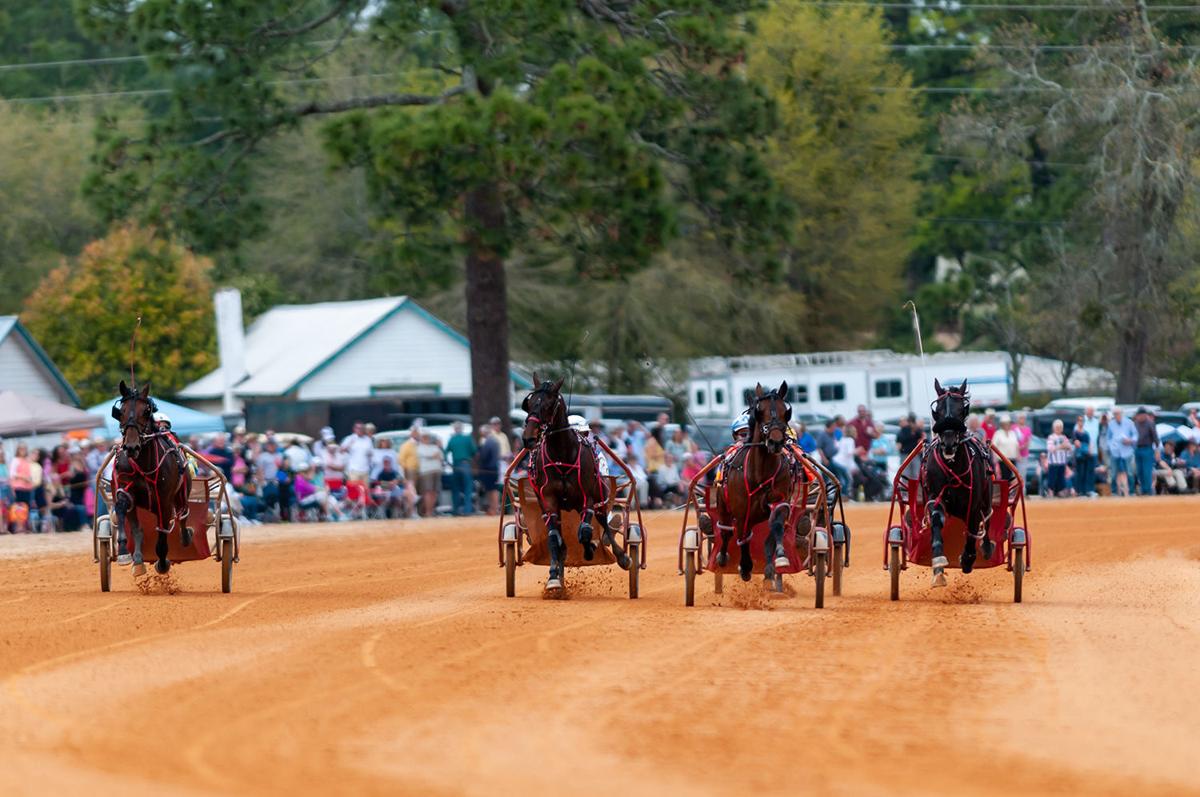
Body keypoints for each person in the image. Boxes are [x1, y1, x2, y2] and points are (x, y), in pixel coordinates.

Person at [444, 421, 478, 516]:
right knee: (468, 488)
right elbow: (474, 451)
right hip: (466, 464)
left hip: (455, 465)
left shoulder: (452, 439)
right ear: (462, 429)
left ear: (454, 429)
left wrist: (448, 463)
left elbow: (445, 452)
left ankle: (456, 510)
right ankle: (467, 510)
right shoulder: (467, 438)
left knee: (455, 489)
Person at [1106, 407, 1136, 497]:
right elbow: (1108, 438)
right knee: (1114, 473)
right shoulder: (1111, 424)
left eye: (1118, 414)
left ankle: (1131, 492)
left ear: (1122, 414)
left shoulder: (1129, 423)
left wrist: (1130, 440)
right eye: (1115, 414)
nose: (1116, 416)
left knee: (1129, 472)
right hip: (1115, 452)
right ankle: (1114, 492)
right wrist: (1111, 447)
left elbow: (1135, 435)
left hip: (1127, 451)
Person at [1132, 407, 1160, 497]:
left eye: (1140, 415)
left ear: (1144, 415)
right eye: (1137, 415)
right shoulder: (1135, 424)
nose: (1138, 417)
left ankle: (1148, 490)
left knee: (1147, 470)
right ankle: (1143, 489)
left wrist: (1157, 450)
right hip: (1137, 449)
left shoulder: (1150, 424)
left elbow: (1155, 438)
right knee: (1139, 471)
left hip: (1147, 448)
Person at [476, 424, 501, 515]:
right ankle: (494, 508)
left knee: (491, 490)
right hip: (494, 468)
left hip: (488, 469)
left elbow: (483, 456)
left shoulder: (487, 442)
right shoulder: (495, 441)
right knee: (493, 489)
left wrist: (480, 449)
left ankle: (493, 508)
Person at [341, 421, 375, 489]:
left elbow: (371, 453)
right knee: (354, 490)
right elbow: (341, 450)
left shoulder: (368, 439)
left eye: (361, 428)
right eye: (358, 428)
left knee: (365, 491)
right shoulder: (350, 438)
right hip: (354, 469)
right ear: (354, 429)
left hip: (365, 470)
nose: (360, 430)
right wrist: (350, 444)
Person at [416, 432, 444, 516]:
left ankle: (431, 511)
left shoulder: (434, 447)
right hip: (426, 472)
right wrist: (434, 455)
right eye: (424, 437)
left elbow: (441, 456)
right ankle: (428, 511)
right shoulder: (419, 447)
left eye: (427, 437)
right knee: (428, 491)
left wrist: (435, 455)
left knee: (435, 492)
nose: (426, 439)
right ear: (421, 439)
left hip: (437, 470)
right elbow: (428, 455)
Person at [1045, 419, 1072, 497]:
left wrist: (1066, 447)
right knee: (1052, 478)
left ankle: (1060, 491)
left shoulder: (1064, 437)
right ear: (1053, 428)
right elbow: (1050, 448)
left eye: (1060, 427)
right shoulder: (1051, 437)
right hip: (1053, 462)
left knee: (1061, 478)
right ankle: (1050, 491)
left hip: (1062, 462)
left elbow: (1069, 447)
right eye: (1057, 427)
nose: (1058, 429)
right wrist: (1061, 447)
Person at [991, 414, 1021, 479]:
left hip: (1012, 459)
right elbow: (993, 446)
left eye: (1009, 423)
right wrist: (994, 458)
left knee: (1011, 477)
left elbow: (1016, 445)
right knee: (1004, 476)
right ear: (1002, 424)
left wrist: (1018, 455)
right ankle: (1005, 489)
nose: (1008, 425)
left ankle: (1009, 489)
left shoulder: (1012, 433)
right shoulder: (998, 433)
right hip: (1002, 460)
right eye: (1006, 423)